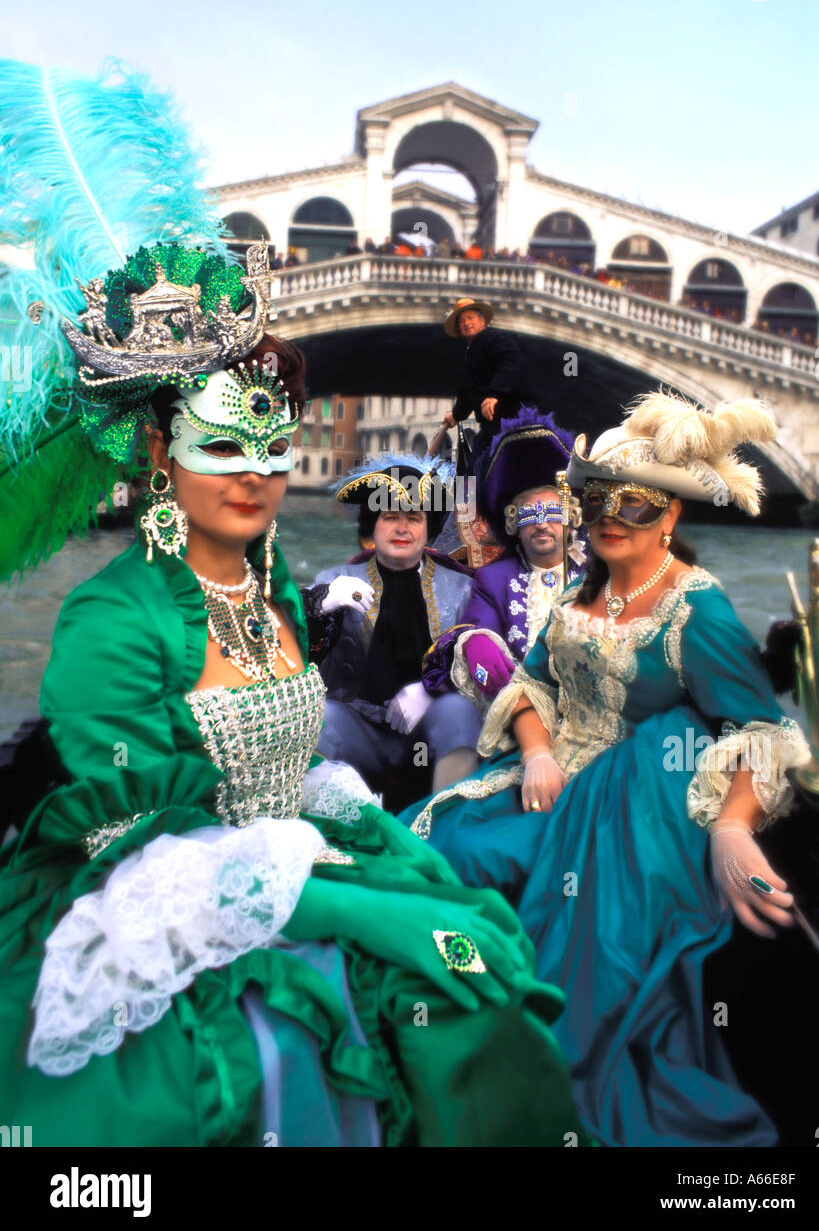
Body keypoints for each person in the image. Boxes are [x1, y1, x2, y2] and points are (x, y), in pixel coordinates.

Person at [0, 243, 585, 1149]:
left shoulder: (270, 591)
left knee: (483, 957)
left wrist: (375, 834)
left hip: (297, 851)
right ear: (159, 453)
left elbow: (290, 762)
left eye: (273, 448)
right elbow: (130, 839)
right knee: (441, 1011)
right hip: (175, 907)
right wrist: (346, 905)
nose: (255, 475)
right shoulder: (111, 618)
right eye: (221, 445)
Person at [402, 390, 812, 1147]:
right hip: (548, 776)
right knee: (434, 844)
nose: (609, 518)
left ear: (670, 515)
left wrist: (732, 826)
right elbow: (530, 686)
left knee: (490, 866)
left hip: (626, 807)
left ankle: (508, 1050)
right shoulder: (580, 595)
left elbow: (762, 729)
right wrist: (533, 752)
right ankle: (434, 1016)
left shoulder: (696, 610)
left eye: (634, 505)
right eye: (595, 503)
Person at [304, 455, 483, 806]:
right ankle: (326, 824)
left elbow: (478, 663)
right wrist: (319, 605)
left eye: (413, 518)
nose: (402, 528)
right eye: (390, 517)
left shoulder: (463, 589)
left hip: (428, 740)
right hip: (359, 736)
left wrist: (432, 690)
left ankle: (444, 824)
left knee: (458, 712)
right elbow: (294, 651)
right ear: (373, 526)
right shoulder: (334, 581)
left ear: (427, 530)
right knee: (322, 717)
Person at [423, 407, 587, 709]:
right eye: (529, 515)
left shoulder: (599, 574)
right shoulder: (492, 579)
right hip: (517, 709)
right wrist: (475, 642)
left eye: (552, 513)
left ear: (569, 518)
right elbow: (476, 627)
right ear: (514, 525)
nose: (541, 524)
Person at [441, 297, 527, 463]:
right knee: (475, 465)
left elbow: (509, 361)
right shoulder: (472, 353)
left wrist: (494, 394)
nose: (466, 323)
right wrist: (456, 415)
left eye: (470, 318)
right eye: (461, 321)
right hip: (492, 426)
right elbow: (468, 392)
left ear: (482, 321)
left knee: (476, 467)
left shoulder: (493, 337)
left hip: (510, 420)